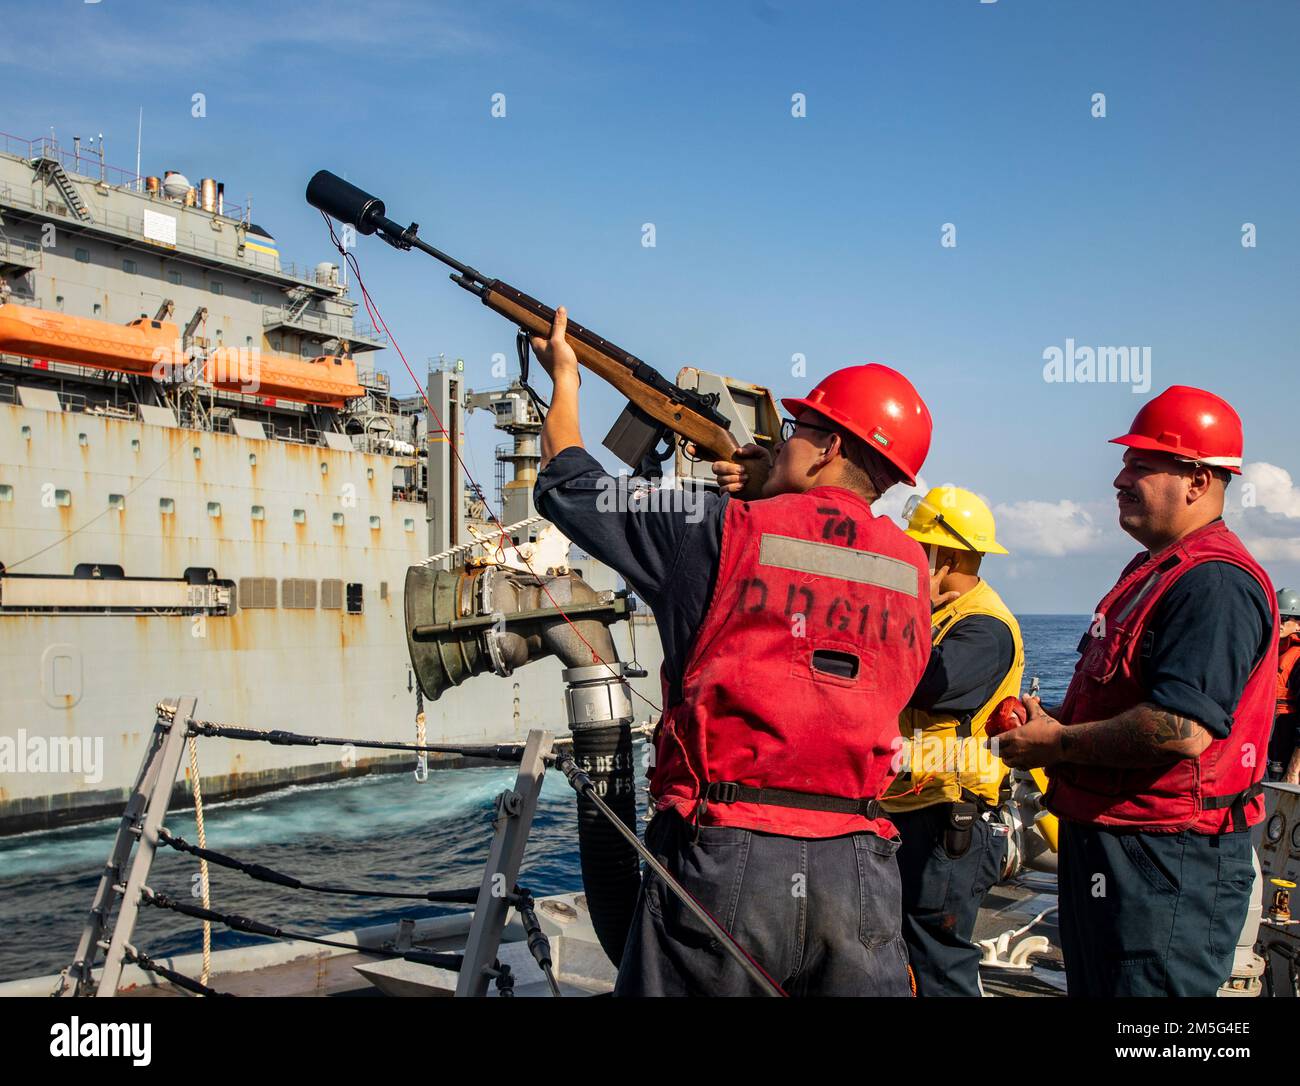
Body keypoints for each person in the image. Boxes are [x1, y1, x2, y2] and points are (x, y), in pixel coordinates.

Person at [530, 308, 933, 995]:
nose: (781, 443)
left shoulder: (719, 533)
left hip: (730, 858)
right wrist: (777, 488)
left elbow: (569, 485)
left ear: (829, 446)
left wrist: (565, 380)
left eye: (797, 431)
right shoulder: (913, 569)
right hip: (861, 863)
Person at [997, 385, 1278, 997]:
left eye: (1142, 466)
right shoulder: (1154, 572)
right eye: (1125, 465)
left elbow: (1182, 731)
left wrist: (1058, 744)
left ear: (1198, 481)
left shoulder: (1214, 585)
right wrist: (1049, 721)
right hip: (1124, 846)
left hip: (1167, 860)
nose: (1121, 481)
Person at [881, 487, 1023, 996]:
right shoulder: (938, 615)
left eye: (920, 549)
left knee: (937, 961)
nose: (910, 559)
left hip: (948, 817)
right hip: (907, 802)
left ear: (949, 557)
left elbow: (929, 684)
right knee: (897, 950)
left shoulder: (984, 628)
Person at [1271, 588, 1300, 783]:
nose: (1279, 623)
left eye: (1285, 619)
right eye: (1276, 617)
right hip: (1267, 746)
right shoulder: (1271, 651)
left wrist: (1294, 770)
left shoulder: (1297, 658)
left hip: (1285, 751)